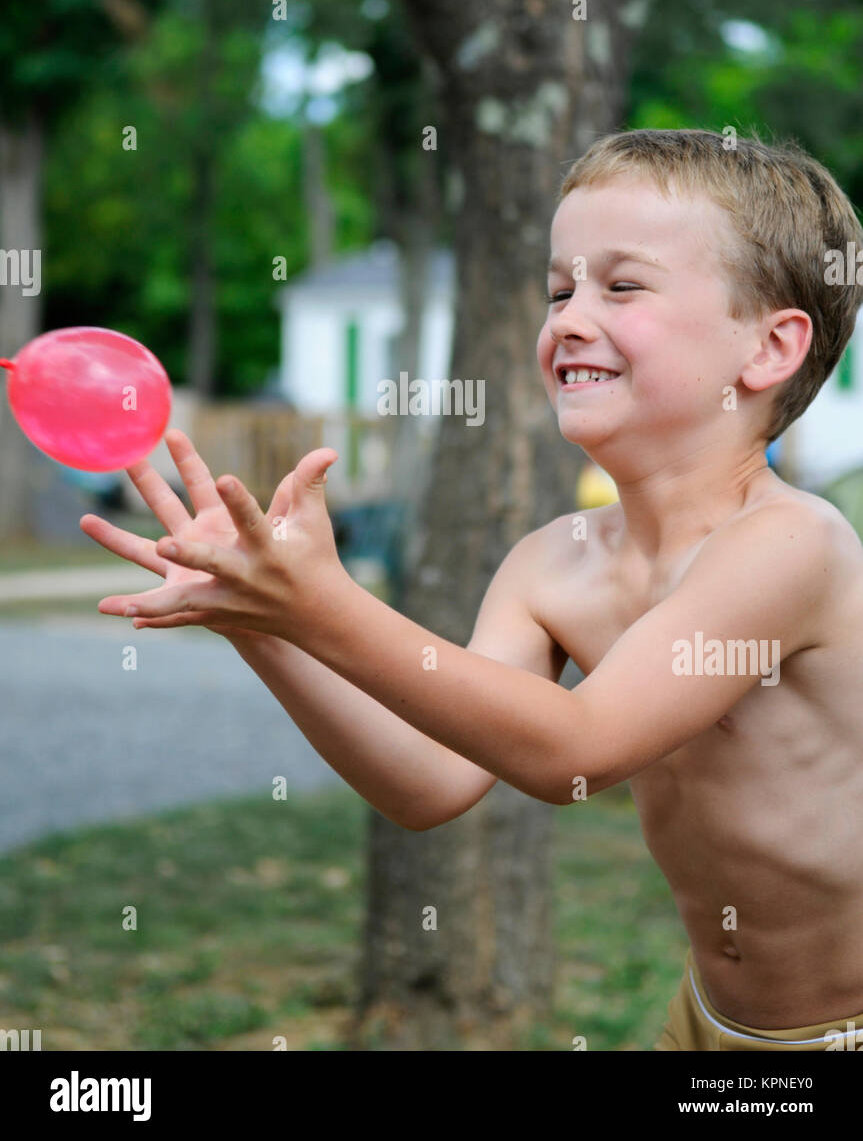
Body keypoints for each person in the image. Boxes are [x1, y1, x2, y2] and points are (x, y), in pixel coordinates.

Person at [81, 128, 863, 1052]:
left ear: (769, 347)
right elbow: (429, 780)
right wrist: (262, 620)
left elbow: (576, 750)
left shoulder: (789, 545)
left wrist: (320, 601)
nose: (568, 317)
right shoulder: (552, 562)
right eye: (557, 289)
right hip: (711, 1026)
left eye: (621, 286)